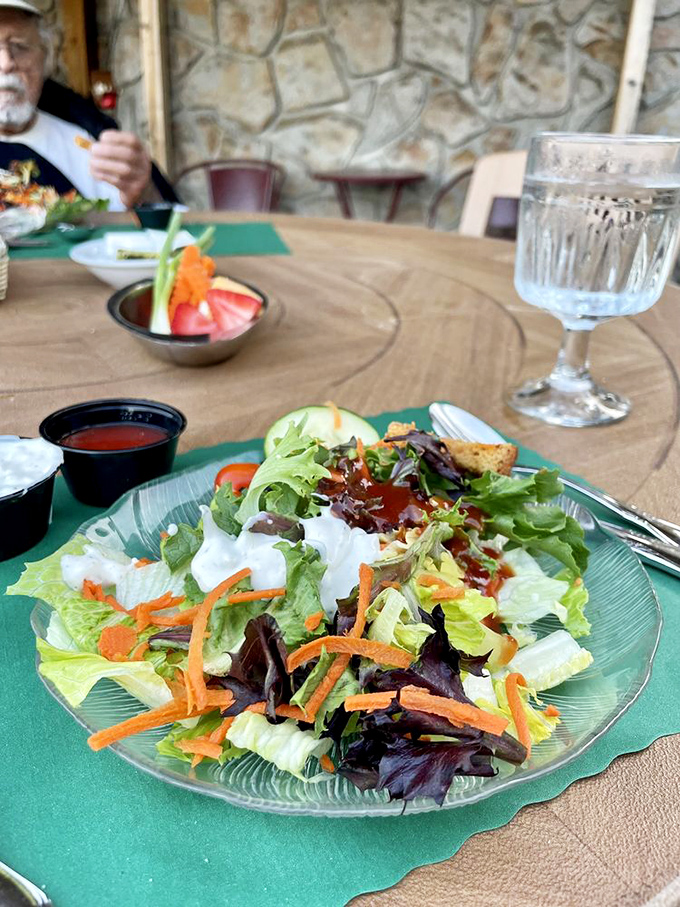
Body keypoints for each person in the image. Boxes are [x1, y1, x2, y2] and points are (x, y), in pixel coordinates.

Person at [0, 0, 176, 210]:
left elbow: (162, 225)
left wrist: (144, 193)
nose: (6, 63)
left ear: (44, 59)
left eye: (20, 46)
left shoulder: (88, 141)